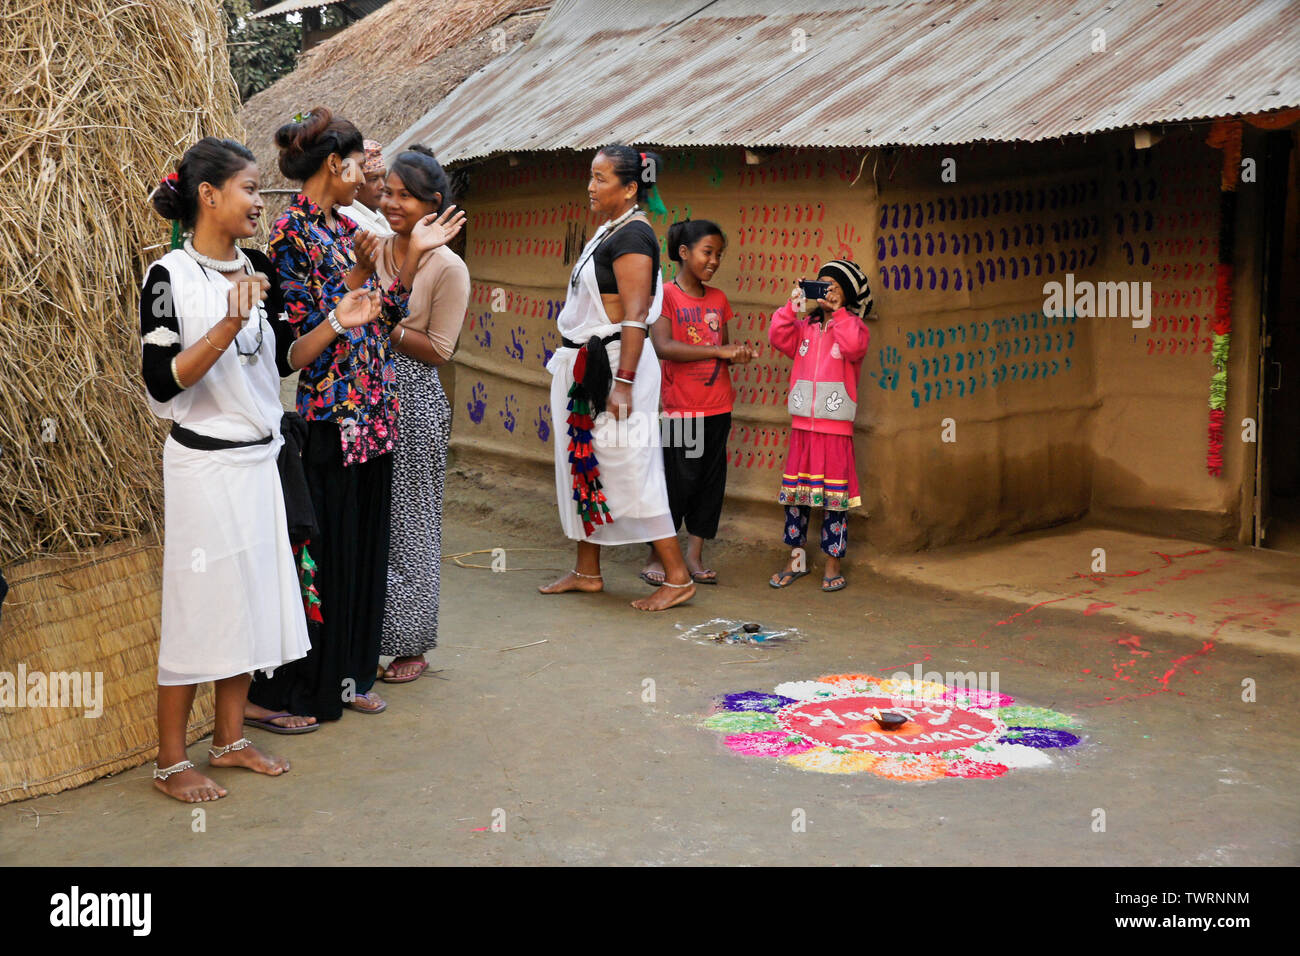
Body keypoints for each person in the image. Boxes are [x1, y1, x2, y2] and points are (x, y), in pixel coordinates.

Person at [142, 137, 379, 801]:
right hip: (204, 467)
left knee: (247, 599)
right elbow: (163, 384)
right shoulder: (169, 279)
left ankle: (229, 740)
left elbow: (278, 362)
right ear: (209, 196)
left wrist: (337, 318)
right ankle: (168, 761)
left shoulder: (258, 267)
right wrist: (225, 321)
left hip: (259, 463)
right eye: (248, 188)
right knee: (197, 608)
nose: (258, 201)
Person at [250, 106, 401, 719]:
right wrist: (364, 272)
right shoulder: (290, 234)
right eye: (361, 162)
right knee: (330, 554)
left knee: (367, 548)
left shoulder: (347, 226)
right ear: (335, 165)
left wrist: (399, 263)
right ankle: (319, 682)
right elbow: (299, 344)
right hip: (330, 416)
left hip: (376, 407)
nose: (369, 172)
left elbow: (385, 318)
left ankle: (356, 675)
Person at [538, 144, 696, 611]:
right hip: (590, 366)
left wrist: (623, 383)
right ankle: (587, 570)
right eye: (590, 176)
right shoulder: (609, 231)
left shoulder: (632, 238)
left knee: (629, 466)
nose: (590, 186)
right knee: (586, 463)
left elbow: (635, 316)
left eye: (602, 179)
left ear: (630, 189)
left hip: (615, 368)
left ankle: (678, 574)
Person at [372, 146, 469, 682]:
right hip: (365, 396)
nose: (391, 203)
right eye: (387, 192)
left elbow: (440, 349)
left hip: (413, 400)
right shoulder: (376, 249)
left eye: (404, 196)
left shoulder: (448, 267)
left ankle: (410, 642)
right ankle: (368, 631)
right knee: (370, 517)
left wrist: (379, 322)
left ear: (432, 203)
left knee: (410, 522)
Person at [639, 219, 752, 587]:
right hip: (682, 410)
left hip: (719, 406)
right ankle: (659, 554)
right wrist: (719, 349)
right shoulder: (666, 296)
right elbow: (664, 347)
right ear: (684, 253)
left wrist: (735, 353)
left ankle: (694, 554)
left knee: (709, 483)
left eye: (719, 254)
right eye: (708, 252)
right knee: (676, 482)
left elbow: (723, 347)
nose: (715, 260)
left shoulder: (719, 299)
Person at [766, 260, 872, 592]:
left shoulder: (854, 326)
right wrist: (792, 306)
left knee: (834, 501)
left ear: (847, 295)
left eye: (833, 287)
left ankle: (832, 563)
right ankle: (796, 560)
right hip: (802, 429)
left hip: (835, 432)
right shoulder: (805, 328)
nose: (825, 293)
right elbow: (777, 336)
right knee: (796, 499)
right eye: (821, 286)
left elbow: (855, 347)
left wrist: (839, 313)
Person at [338, 139, 394, 238]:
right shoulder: (352, 221)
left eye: (383, 177)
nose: (383, 186)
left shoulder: (375, 214)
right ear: (356, 183)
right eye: (374, 179)